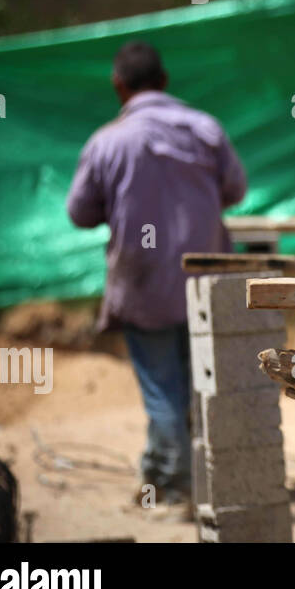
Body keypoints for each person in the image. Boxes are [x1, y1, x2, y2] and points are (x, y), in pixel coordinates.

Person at [66, 40, 247, 511]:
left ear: (118, 87)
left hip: (143, 282)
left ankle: (171, 487)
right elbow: (236, 189)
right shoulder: (205, 128)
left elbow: (80, 213)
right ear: (165, 81)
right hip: (205, 280)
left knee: (163, 389)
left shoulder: (107, 141)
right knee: (200, 382)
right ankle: (201, 478)